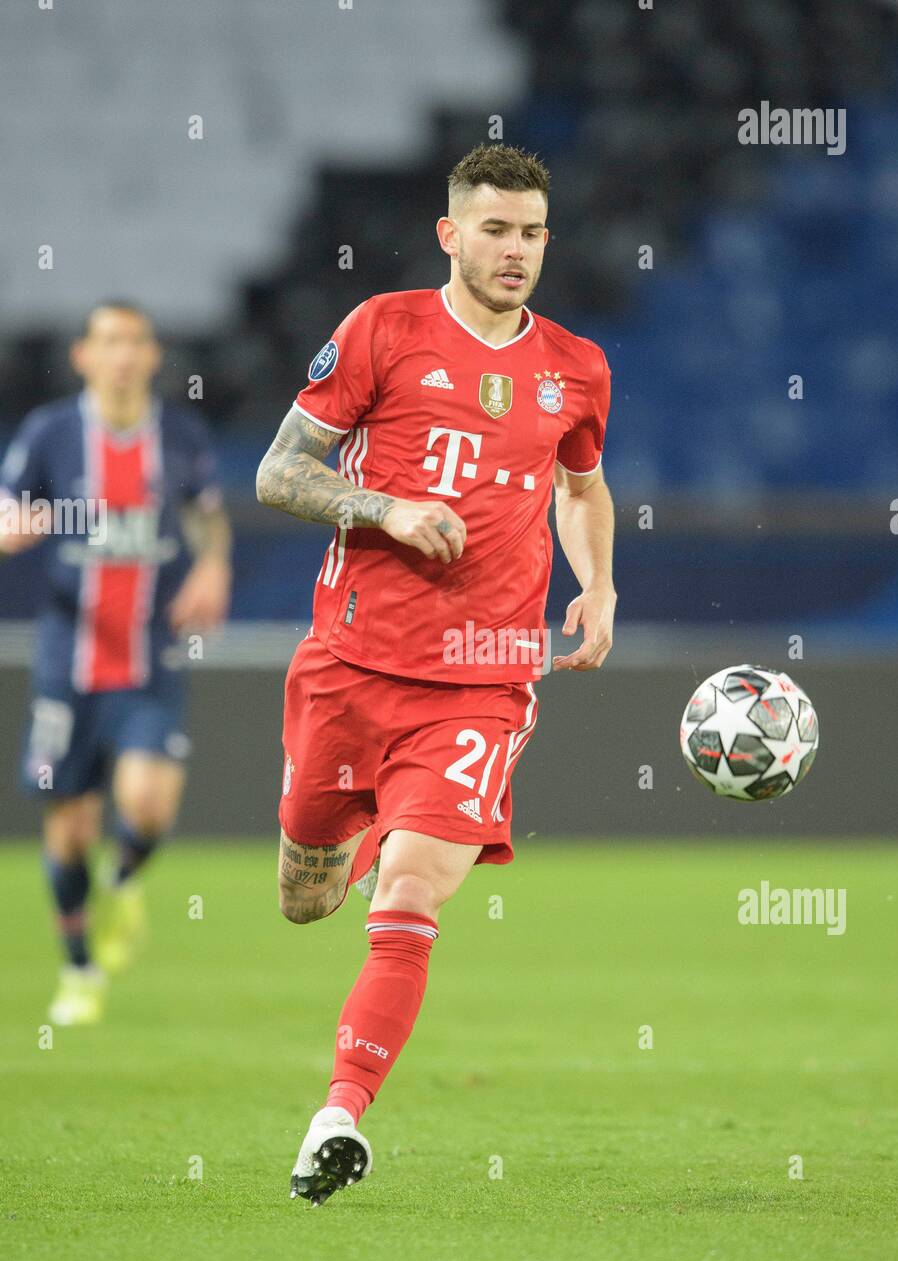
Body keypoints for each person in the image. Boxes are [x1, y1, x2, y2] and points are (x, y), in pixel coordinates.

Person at [256, 144, 616, 1205]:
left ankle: (338, 1116)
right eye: (495, 230)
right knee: (305, 896)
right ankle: (375, 831)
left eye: (532, 233)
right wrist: (385, 509)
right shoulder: (383, 329)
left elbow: (582, 486)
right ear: (451, 235)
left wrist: (594, 584)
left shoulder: (576, 367)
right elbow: (280, 471)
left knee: (410, 890)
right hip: (347, 664)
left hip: (483, 678)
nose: (516, 251)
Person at [0, 302, 232, 1024]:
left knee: (149, 803)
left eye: (134, 341)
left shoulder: (181, 436)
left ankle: (123, 878)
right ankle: (78, 971)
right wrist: (15, 528)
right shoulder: (51, 433)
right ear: (84, 357)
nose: (123, 355)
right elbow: (7, 508)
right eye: (109, 342)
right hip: (69, 661)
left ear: (153, 355)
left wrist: (213, 567)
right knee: (68, 825)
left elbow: (206, 513)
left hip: (149, 655)